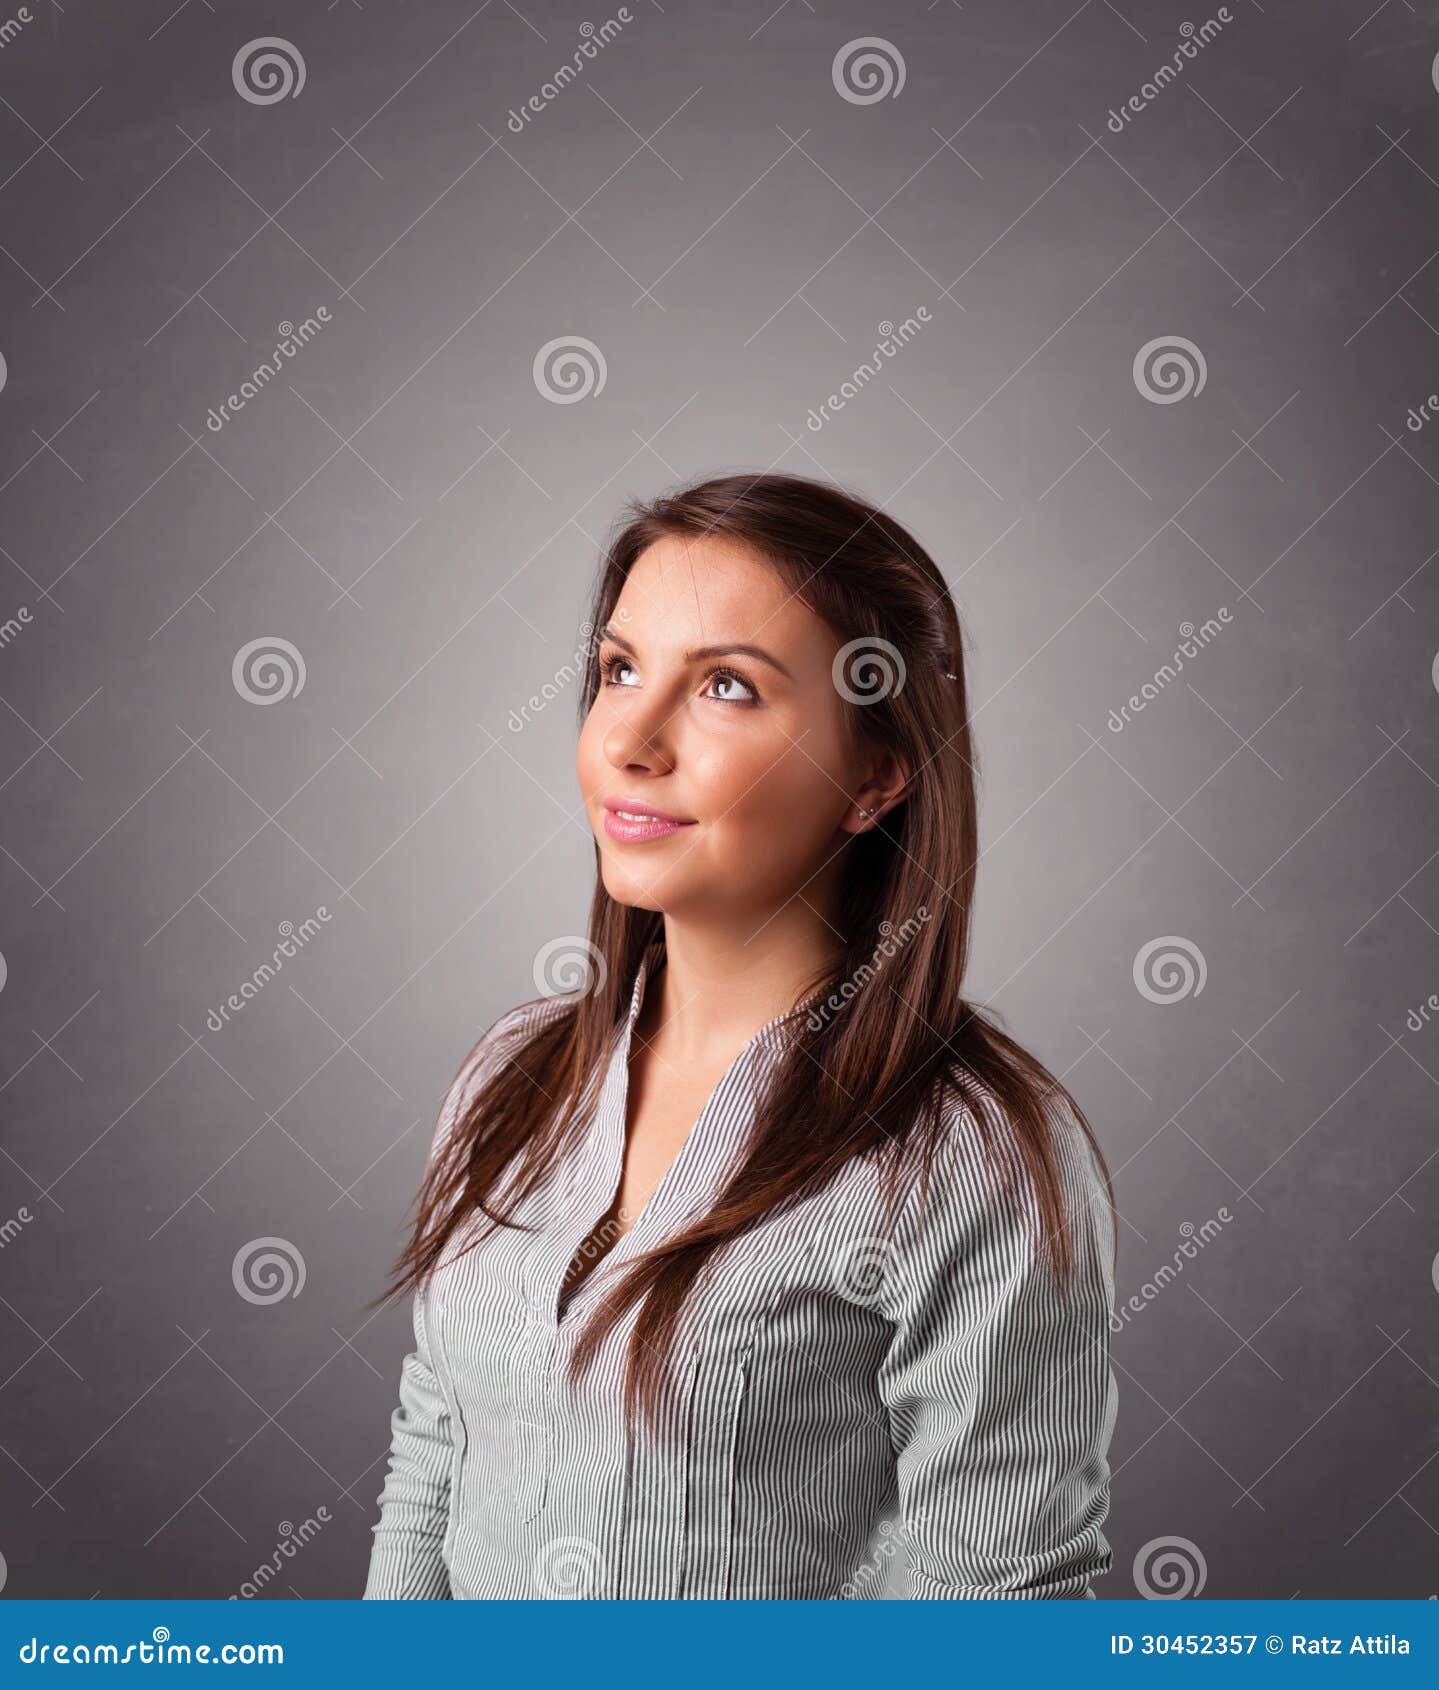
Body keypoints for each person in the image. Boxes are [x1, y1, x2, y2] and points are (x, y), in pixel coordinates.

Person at [361, 471, 1119, 1600]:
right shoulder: (511, 1075)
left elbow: (995, 1601)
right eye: (620, 670)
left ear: (874, 776)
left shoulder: (973, 1154)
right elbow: (437, 1449)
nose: (630, 739)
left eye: (725, 686)